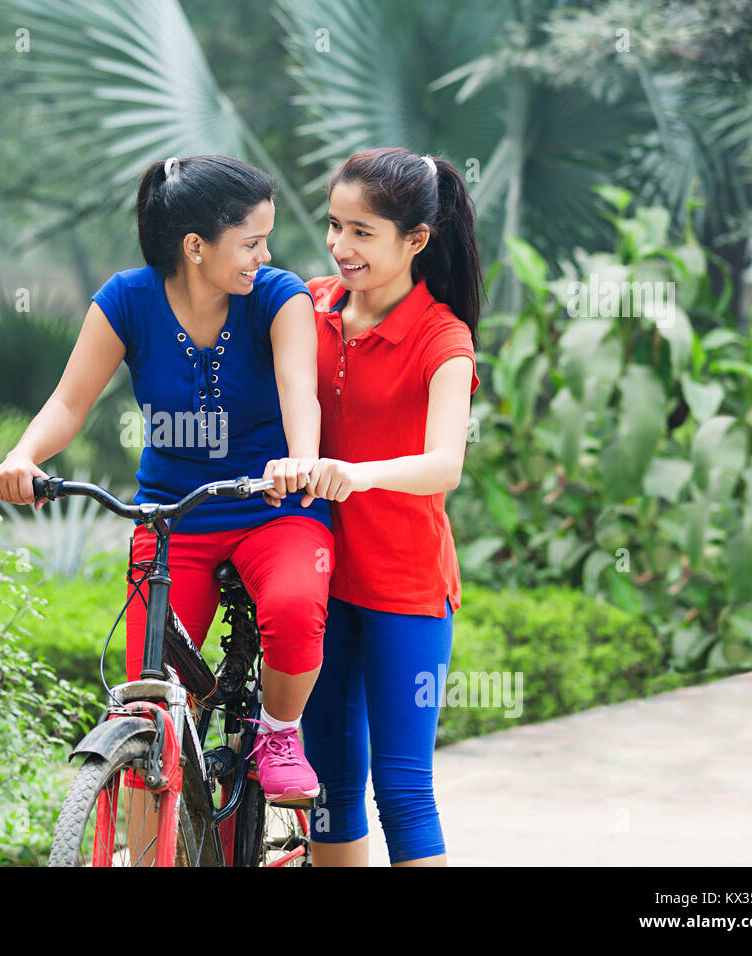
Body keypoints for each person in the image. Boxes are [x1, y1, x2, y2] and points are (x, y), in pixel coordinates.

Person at [0, 154, 334, 803]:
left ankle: (280, 732)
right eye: (251, 242)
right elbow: (69, 403)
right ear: (195, 246)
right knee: (151, 710)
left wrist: (302, 459)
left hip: (276, 506)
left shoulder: (279, 296)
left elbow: (300, 392)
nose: (265, 255)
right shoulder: (127, 300)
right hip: (172, 517)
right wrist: (24, 455)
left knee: (292, 604)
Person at [262, 147, 482, 866]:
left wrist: (354, 475)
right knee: (328, 788)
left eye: (363, 231)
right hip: (316, 578)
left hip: (404, 588)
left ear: (416, 239)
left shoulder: (443, 338)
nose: (340, 245)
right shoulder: (311, 305)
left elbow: (445, 463)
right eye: (334, 225)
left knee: (403, 790)